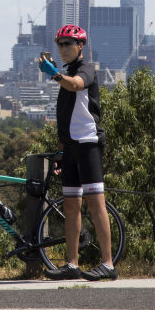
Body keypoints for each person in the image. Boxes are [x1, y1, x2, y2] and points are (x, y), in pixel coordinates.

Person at [38, 24, 117, 281]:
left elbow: (75, 86)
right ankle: (72, 264)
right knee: (71, 206)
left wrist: (54, 76)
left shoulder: (85, 69)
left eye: (67, 44)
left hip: (88, 144)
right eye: (59, 44)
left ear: (80, 45)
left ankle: (108, 264)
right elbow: (66, 115)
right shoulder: (66, 71)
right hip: (70, 147)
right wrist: (61, 148)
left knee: (96, 205)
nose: (62, 49)